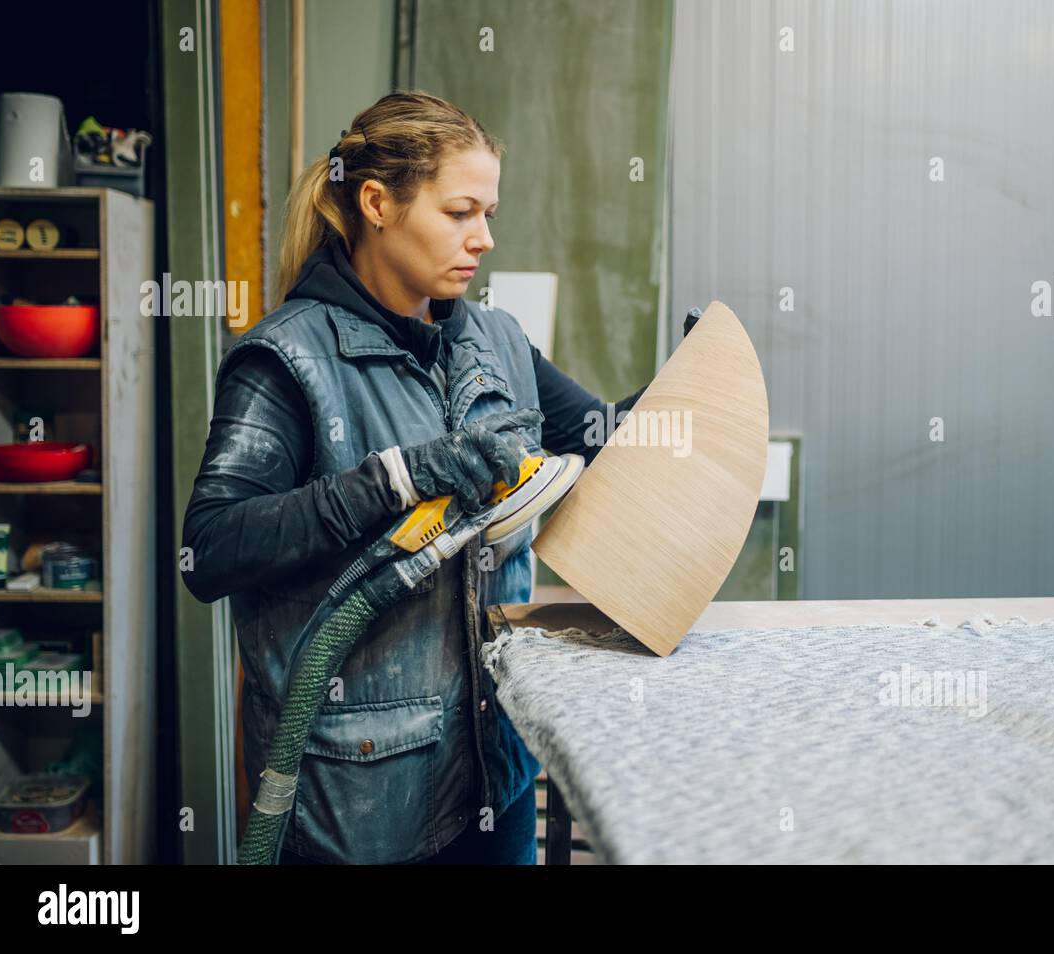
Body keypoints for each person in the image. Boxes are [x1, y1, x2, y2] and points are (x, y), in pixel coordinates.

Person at [181, 91, 697, 864]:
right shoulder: (286, 362)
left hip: (497, 773)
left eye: (488, 213)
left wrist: (691, 388)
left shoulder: (497, 341)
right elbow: (212, 547)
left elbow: (600, 439)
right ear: (378, 203)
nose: (483, 238)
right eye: (461, 213)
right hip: (360, 805)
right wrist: (398, 478)